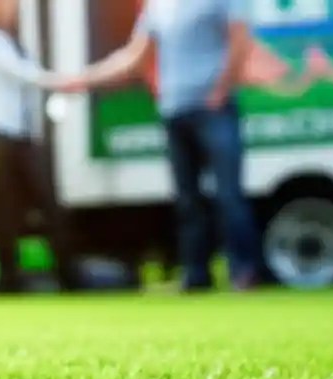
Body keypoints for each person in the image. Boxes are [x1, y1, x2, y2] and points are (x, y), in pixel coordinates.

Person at [67, 0, 262, 292]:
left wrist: (220, 90)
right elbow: (134, 56)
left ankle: (243, 272)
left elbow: (240, 39)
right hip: (174, 111)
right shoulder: (159, 6)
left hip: (214, 109)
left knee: (228, 195)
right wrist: (84, 78)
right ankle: (196, 275)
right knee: (187, 201)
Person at [0, 0, 81, 294]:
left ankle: (68, 275)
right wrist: (60, 82)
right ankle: (7, 280)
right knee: (2, 210)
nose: (12, 8)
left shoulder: (10, 41)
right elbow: (20, 73)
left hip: (20, 134)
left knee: (47, 202)